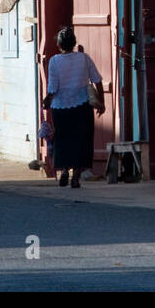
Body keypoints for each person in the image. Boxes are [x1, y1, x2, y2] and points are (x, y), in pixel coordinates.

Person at [42, 26, 103, 188]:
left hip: (60, 108)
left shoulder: (54, 61)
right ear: (74, 43)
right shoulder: (84, 58)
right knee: (82, 141)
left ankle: (63, 171)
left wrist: (47, 100)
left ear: (59, 44)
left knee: (63, 140)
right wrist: (100, 102)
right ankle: (76, 176)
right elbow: (97, 80)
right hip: (82, 105)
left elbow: (53, 87)